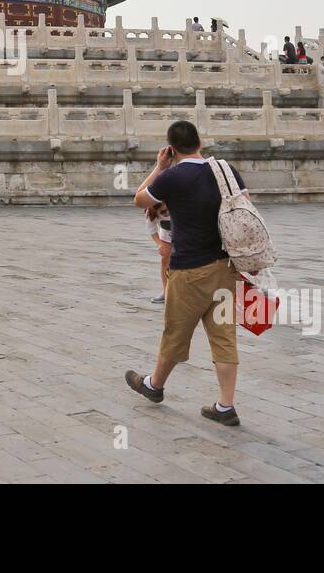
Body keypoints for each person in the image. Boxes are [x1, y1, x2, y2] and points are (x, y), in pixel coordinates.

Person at [125, 120, 245, 426]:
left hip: (188, 270)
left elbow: (139, 199)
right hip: (224, 269)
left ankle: (154, 385)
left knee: (175, 333)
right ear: (200, 142)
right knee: (224, 337)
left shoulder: (172, 176)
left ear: (171, 148)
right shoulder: (225, 171)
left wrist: (159, 167)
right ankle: (225, 405)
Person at [146, 203, 173, 304]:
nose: (166, 213)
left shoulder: (177, 203)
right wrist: (159, 244)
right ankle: (166, 291)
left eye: (167, 210)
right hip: (165, 238)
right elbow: (152, 230)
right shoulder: (150, 213)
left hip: (183, 236)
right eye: (162, 212)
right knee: (164, 261)